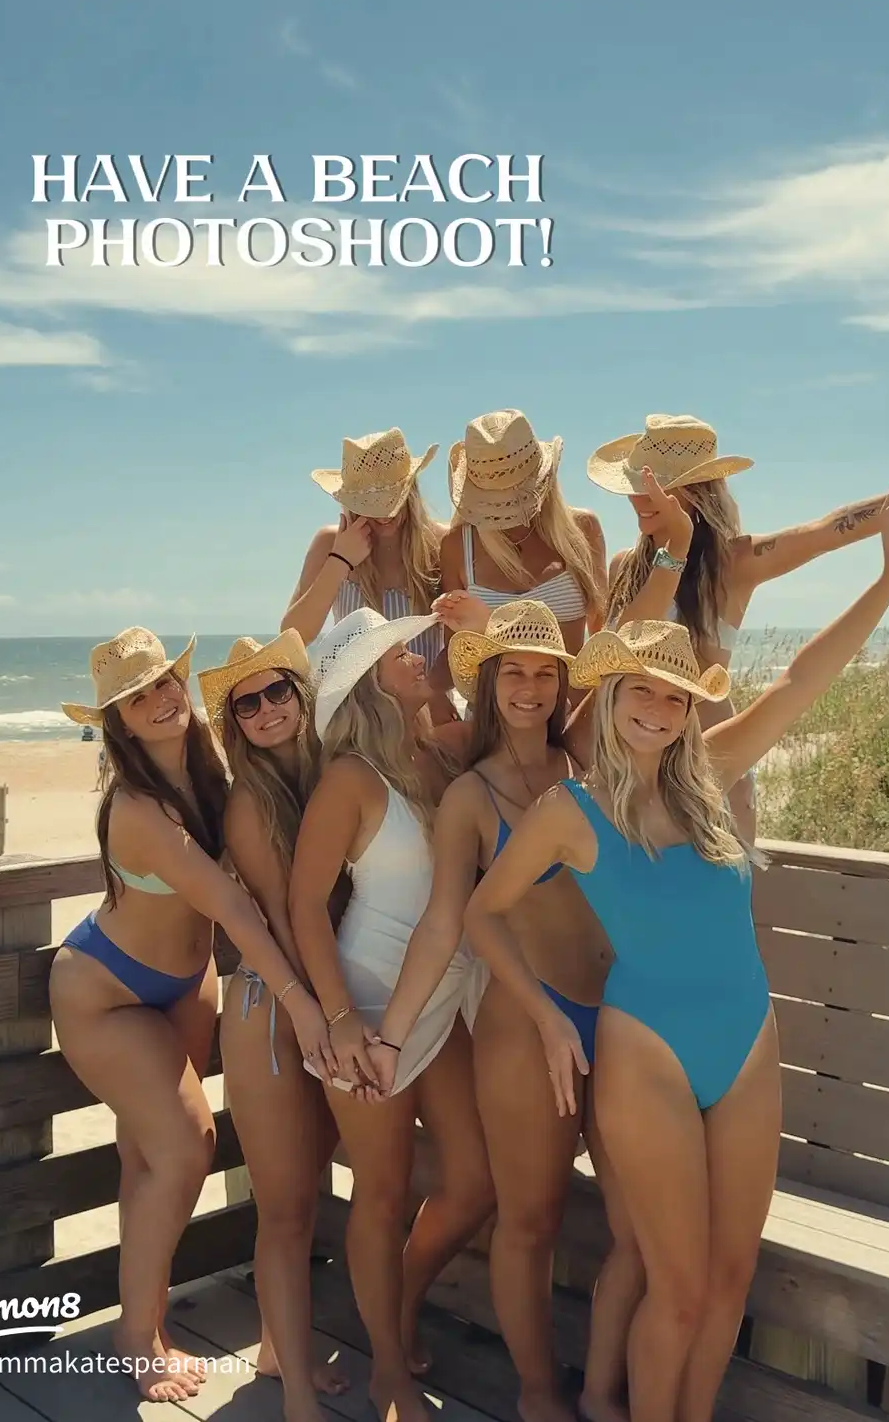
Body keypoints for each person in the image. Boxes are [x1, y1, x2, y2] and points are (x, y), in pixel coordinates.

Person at [462, 489, 889, 1422]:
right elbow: (480, 914)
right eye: (643, 693)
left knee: (727, 1278)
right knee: (674, 1287)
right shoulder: (571, 813)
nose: (660, 711)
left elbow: (804, 679)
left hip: (747, 1042)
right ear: (613, 697)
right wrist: (548, 1018)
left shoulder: (714, 775)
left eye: (675, 697)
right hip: (645, 1054)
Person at [369, 599, 662, 1422]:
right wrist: (390, 1036)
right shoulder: (470, 796)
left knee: (638, 1230)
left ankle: (602, 1390)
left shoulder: (592, 773)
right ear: (488, 685)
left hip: (622, 1020)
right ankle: (538, 1393)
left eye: (545, 673)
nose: (529, 688)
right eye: (514, 674)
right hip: (527, 1021)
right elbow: (447, 919)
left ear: (563, 684)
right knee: (527, 1217)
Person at [52, 628, 335, 1405]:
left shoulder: (211, 768)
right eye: (138, 697)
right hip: (106, 989)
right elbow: (237, 913)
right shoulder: (138, 809)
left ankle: (164, 1322)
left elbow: (281, 659)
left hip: (186, 981)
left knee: (149, 1157)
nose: (161, 699)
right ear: (118, 721)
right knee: (186, 1147)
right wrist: (305, 1008)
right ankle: (135, 1333)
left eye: (166, 683)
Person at [592, 413, 889, 839]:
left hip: (708, 771)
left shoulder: (731, 566)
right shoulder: (627, 568)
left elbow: (825, 531)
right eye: (639, 484)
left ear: (695, 492)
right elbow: (603, 667)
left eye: (660, 485)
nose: (642, 498)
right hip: (623, 775)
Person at [289, 607, 493, 1422]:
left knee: (475, 1183)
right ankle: (386, 1368)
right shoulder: (350, 777)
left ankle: (392, 1308)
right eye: (398, 653)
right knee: (382, 1191)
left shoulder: (437, 754)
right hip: (372, 1002)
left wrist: (473, 638)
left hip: (446, 995)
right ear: (369, 678)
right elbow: (305, 903)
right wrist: (338, 1019)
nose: (417, 656)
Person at [196, 632, 350, 1422]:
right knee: (287, 1210)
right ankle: (293, 1395)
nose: (263, 711)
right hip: (273, 1010)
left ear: (301, 692)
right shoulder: (249, 801)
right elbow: (290, 921)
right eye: (244, 702)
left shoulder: (325, 775)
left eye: (276, 692)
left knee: (306, 1194)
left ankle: (271, 1349)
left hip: (322, 1004)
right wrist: (326, 1012)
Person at [282, 427, 455, 720]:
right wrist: (341, 560)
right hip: (356, 718)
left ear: (410, 489)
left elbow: (457, 642)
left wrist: (431, 694)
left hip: (426, 711)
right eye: (370, 501)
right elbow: (293, 637)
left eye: (392, 497)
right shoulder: (330, 543)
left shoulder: (438, 544)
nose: (384, 512)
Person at [438, 409, 608, 663]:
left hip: (575, 702)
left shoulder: (583, 529)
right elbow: (456, 657)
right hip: (492, 703)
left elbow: (602, 636)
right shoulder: (458, 546)